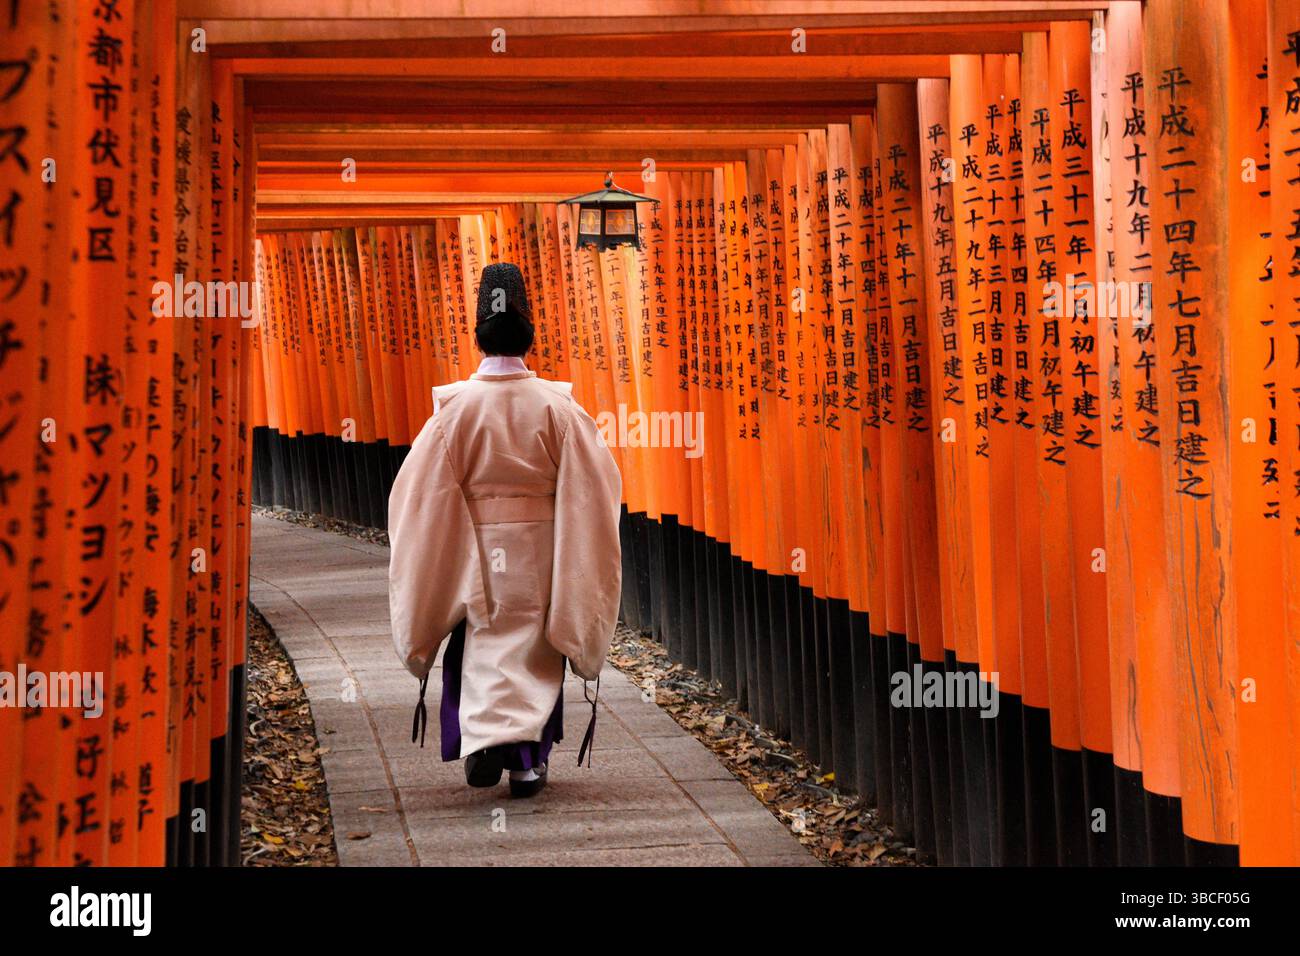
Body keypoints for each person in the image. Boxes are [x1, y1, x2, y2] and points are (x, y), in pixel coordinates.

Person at [387, 262, 622, 798]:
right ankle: (526, 765)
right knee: (540, 647)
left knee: (476, 643)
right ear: (529, 332)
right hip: (542, 552)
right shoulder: (558, 410)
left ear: (478, 336)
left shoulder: (453, 413)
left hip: (473, 549)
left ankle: (480, 742)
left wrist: (438, 558)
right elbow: (595, 488)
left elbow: (418, 496)